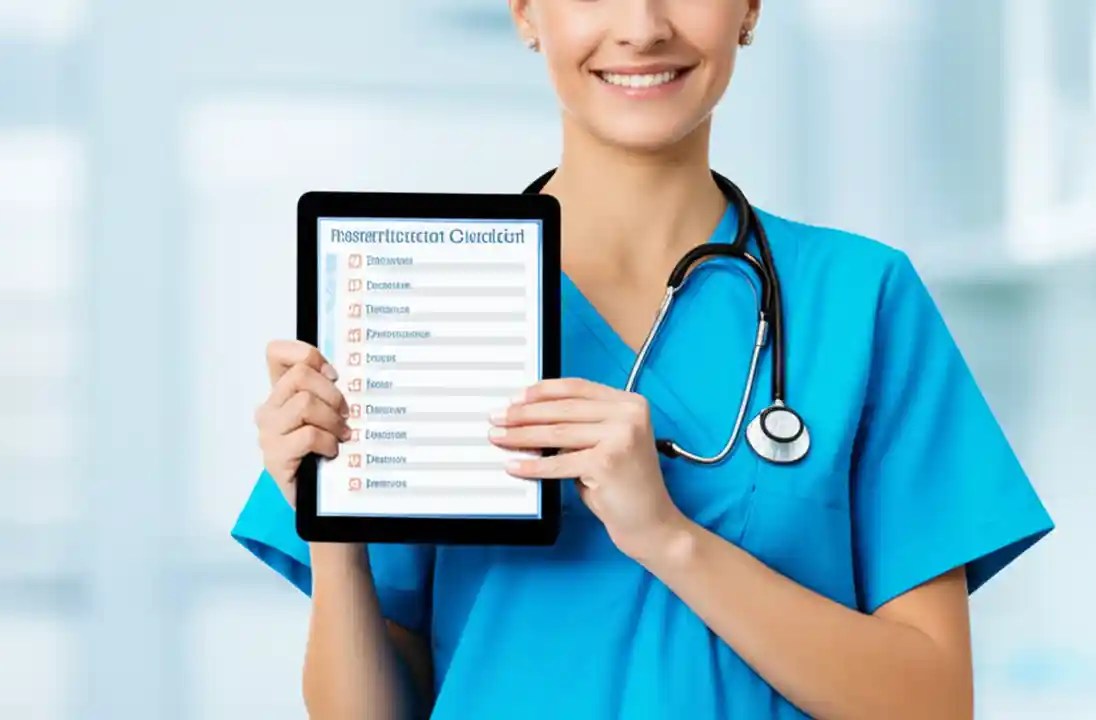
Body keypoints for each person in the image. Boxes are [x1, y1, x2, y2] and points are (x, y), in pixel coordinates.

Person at [232, 1, 1054, 718]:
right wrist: (331, 525)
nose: (641, 27)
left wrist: (666, 536)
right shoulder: (413, 299)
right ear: (526, 12)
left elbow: (933, 700)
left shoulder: (860, 298)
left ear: (751, 7)